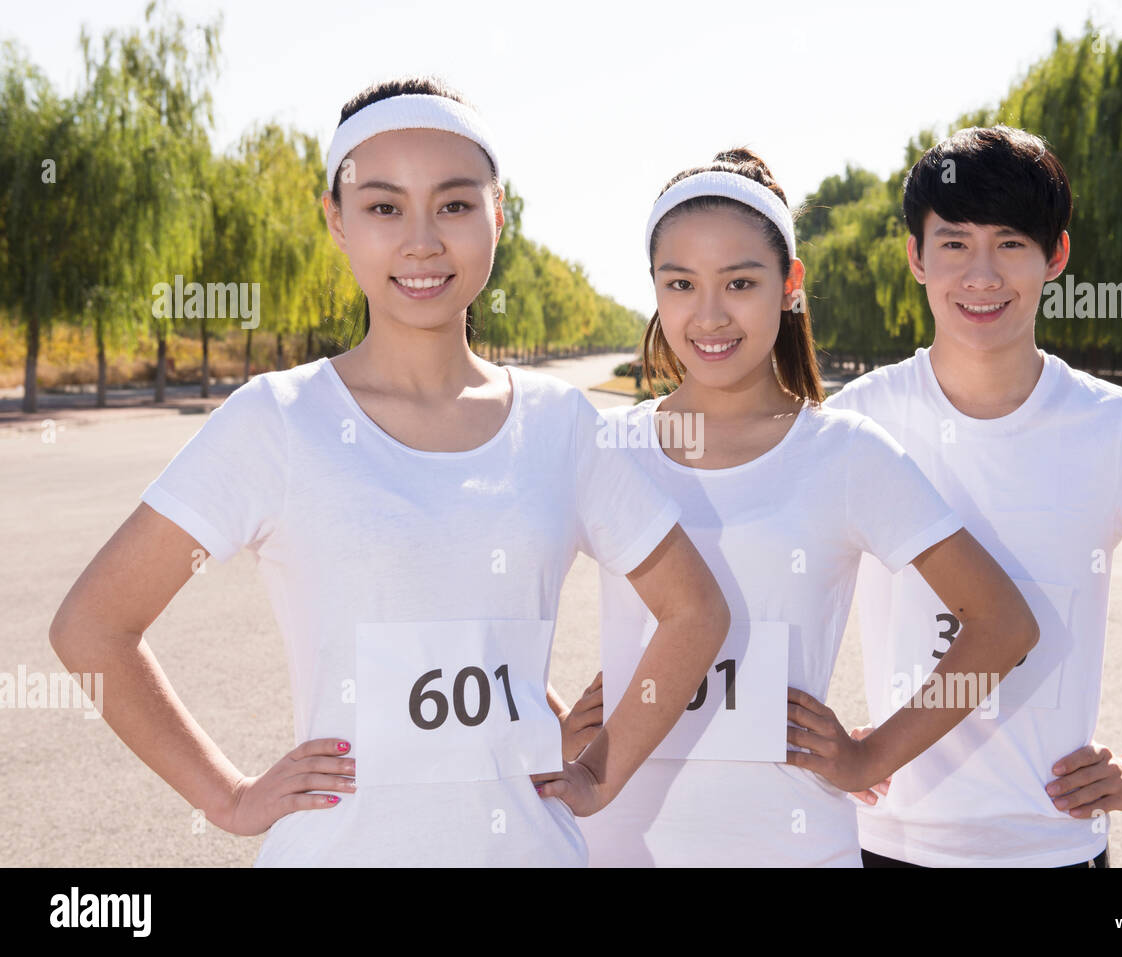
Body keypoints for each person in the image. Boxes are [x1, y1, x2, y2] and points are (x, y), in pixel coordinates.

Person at [47, 76, 730, 867]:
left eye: (453, 204)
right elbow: (91, 627)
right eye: (382, 207)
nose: (421, 241)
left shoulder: (561, 424)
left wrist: (599, 773)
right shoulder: (277, 418)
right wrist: (229, 796)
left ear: (497, 215)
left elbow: (695, 611)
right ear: (336, 221)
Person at [560, 148, 1040, 867]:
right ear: (655, 289)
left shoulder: (845, 452)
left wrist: (869, 755)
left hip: (794, 846)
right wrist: (546, 723)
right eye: (681, 283)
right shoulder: (604, 447)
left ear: (790, 286)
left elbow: (1003, 623)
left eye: (742, 282)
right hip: (619, 844)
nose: (711, 313)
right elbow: (467, 590)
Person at [826, 126, 1122, 867]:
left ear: (1056, 257)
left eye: (1011, 242)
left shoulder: (1115, 429)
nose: (981, 274)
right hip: (890, 840)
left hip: (1051, 845)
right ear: (916, 257)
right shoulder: (859, 418)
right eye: (954, 243)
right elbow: (773, 579)